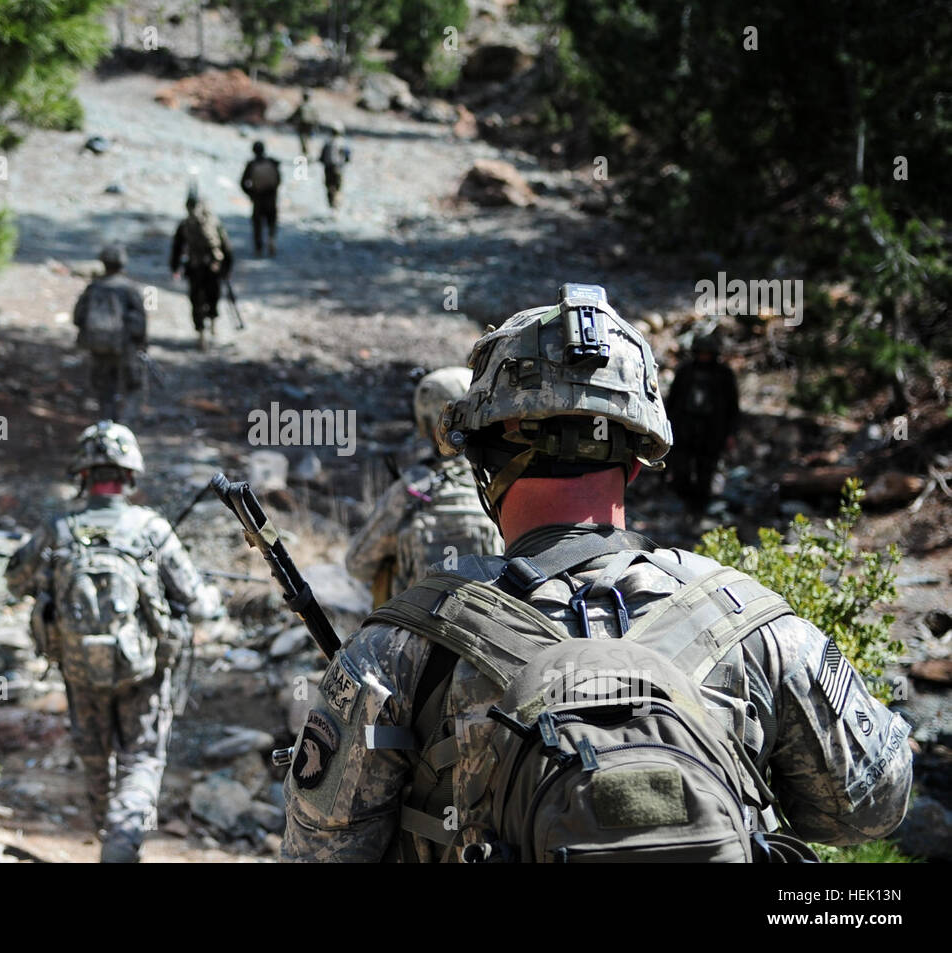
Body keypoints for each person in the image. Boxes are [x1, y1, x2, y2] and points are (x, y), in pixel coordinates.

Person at [281, 283, 911, 863]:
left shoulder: (397, 650)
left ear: (484, 465)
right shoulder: (758, 629)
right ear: (636, 463)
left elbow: (319, 853)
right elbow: (871, 808)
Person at [5, 421, 222, 863]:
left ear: (82, 474)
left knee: (94, 756)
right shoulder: (151, 529)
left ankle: (110, 830)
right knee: (140, 760)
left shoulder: (59, 528)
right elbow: (198, 604)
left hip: (80, 669)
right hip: (142, 672)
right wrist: (214, 596)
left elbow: (15, 581)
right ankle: (122, 843)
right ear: (130, 475)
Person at [346, 367, 501, 608]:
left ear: (429, 422)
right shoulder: (499, 481)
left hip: (415, 636)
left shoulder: (412, 488)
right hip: (487, 634)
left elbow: (357, 565)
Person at [664, 332, 740, 520]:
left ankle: (699, 509)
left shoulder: (724, 374)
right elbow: (672, 401)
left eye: (708, 353)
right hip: (684, 428)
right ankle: (685, 504)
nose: (704, 357)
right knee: (680, 468)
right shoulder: (685, 371)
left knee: (706, 471)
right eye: (701, 353)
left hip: (712, 431)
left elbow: (732, 406)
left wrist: (731, 433)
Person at [72, 245, 147, 421]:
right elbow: (140, 324)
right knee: (132, 386)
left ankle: (106, 422)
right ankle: (124, 424)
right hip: (123, 347)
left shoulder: (93, 287)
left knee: (104, 388)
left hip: (97, 346)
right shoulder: (129, 289)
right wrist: (141, 345)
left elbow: (78, 317)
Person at [169, 195, 234, 351]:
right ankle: (212, 323)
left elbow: (177, 249)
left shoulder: (185, 224)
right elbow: (226, 247)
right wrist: (226, 268)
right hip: (213, 268)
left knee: (196, 300)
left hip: (194, 267)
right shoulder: (214, 222)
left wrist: (175, 267)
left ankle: (201, 333)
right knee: (213, 296)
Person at [240, 141, 281, 257]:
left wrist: (251, 193)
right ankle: (271, 239)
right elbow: (278, 180)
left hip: (258, 199)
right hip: (271, 199)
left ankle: (259, 248)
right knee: (271, 222)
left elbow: (243, 183)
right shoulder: (272, 162)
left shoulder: (251, 164)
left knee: (257, 225)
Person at [319, 122, 351, 211]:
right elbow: (348, 156)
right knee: (337, 186)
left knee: (329, 185)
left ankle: (332, 202)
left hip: (328, 167)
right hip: (339, 168)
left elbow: (321, 156)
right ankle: (336, 202)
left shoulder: (328, 142)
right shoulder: (343, 143)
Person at [288, 90, 319, 160]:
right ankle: (307, 155)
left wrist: (288, 120)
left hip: (303, 126)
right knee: (307, 140)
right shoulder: (312, 106)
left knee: (303, 140)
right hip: (310, 126)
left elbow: (294, 115)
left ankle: (306, 154)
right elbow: (316, 118)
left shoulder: (302, 106)